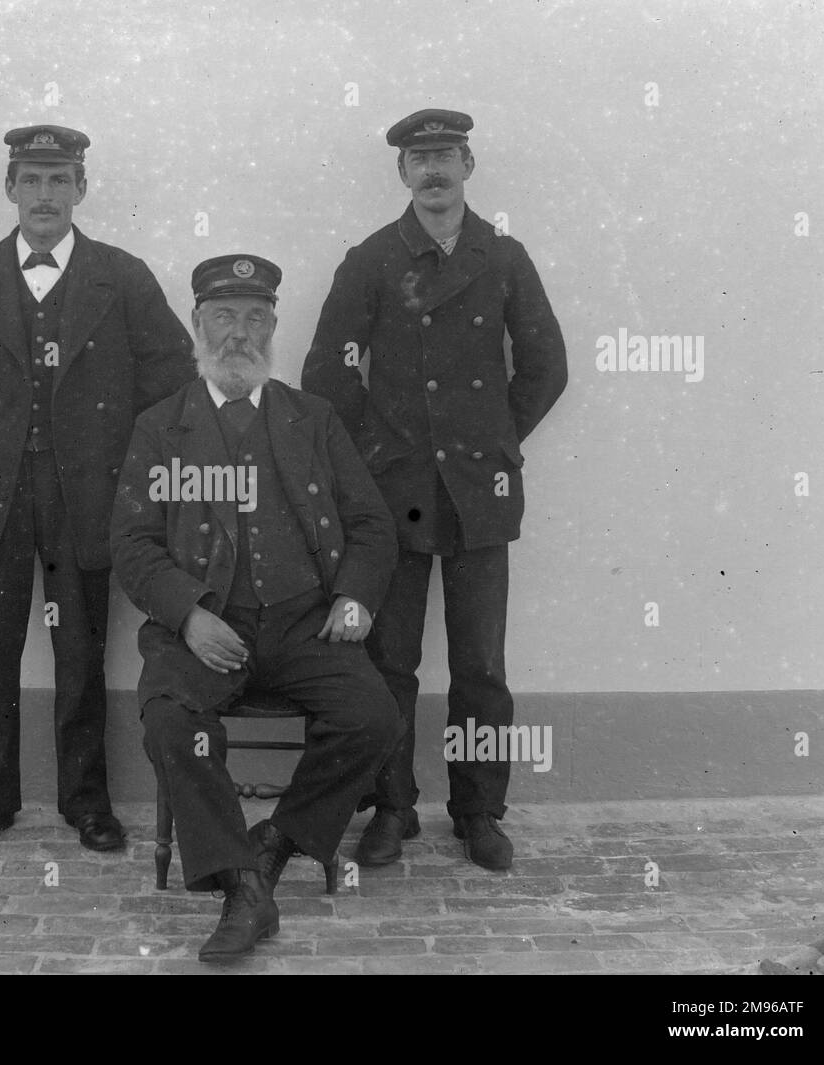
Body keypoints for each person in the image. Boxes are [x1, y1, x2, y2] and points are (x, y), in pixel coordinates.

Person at [0, 124, 194, 854]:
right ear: (9, 188)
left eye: (59, 179)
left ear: (81, 189)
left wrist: (117, 461)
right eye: (30, 180)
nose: (44, 195)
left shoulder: (121, 278)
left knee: (81, 654)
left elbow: (171, 375)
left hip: (86, 500)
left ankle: (87, 803)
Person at [112, 254, 401, 962]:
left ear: (272, 326)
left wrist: (355, 598)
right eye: (222, 318)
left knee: (374, 718)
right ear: (196, 325)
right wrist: (188, 614)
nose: (237, 334)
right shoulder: (161, 426)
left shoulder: (314, 418)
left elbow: (372, 524)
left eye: (253, 318)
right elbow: (132, 540)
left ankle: (274, 841)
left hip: (305, 623)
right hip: (205, 628)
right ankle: (244, 885)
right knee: (173, 725)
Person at [301, 109, 568, 871]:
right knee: (389, 660)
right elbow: (328, 368)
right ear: (402, 173)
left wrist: (496, 441)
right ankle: (392, 807)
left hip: (480, 494)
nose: (434, 171)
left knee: (481, 663)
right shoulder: (373, 260)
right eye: (420, 158)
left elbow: (546, 366)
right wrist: (371, 456)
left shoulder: (504, 257)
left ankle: (478, 810)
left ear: (469, 165)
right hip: (395, 496)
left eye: (446, 155)